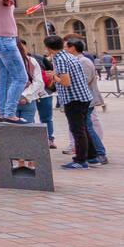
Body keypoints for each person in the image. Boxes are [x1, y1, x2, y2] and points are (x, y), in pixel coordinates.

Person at [47, 34, 94, 169]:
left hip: (73, 98)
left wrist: (54, 77)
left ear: (49, 48)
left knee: (77, 130)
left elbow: (66, 82)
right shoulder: (70, 56)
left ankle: (80, 160)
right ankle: (92, 156)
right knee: (83, 128)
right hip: (83, 96)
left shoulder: (60, 59)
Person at [67, 38, 107, 164]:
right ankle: (94, 154)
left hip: (85, 99)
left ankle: (100, 153)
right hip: (83, 98)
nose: (65, 50)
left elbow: (82, 81)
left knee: (87, 127)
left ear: (73, 48)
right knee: (85, 127)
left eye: (66, 47)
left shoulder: (84, 61)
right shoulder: (78, 61)